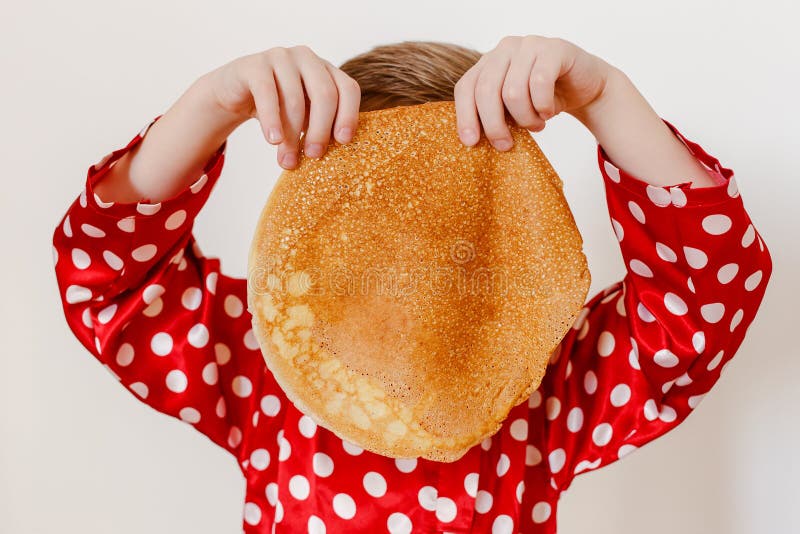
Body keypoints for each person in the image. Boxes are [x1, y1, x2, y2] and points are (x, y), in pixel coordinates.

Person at [52, 36, 772, 533]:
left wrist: (604, 96)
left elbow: (706, 299)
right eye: (371, 232)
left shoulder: (541, 378)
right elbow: (108, 286)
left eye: (448, 237)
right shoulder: (264, 356)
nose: (408, 271)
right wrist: (211, 107)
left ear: (502, 239)